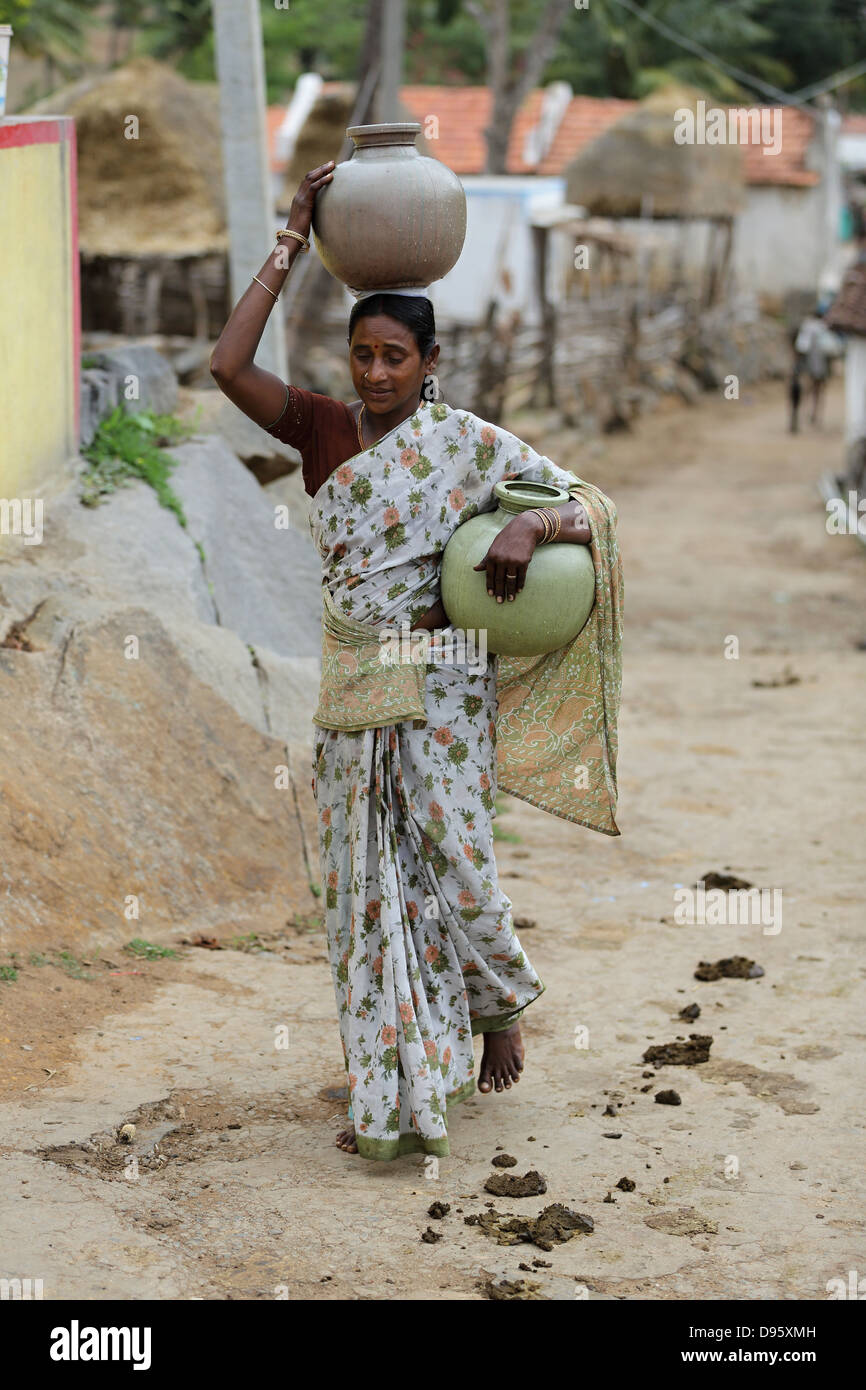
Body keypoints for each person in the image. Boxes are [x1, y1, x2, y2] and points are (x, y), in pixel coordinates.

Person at [210, 162, 622, 1161]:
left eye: (394, 356)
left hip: (438, 693)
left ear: (430, 359)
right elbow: (226, 367)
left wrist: (533, 532)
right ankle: (391, 1085)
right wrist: (290, 238)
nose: (376, 374)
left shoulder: (468, 447)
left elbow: (591, 506)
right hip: (351, 697)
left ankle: (495, 1004)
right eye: (362, 355)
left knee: (452, 868)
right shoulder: (319, 430)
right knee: (364, 894)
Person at [793, 303, 842, 429]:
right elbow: (834, 348)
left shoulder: (809, 326)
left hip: (811, 363)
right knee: (819, 390)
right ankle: (814, 414)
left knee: (808, 387)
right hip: (821, 365)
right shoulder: (825, 327)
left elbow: (801, 346)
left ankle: (803, 411)